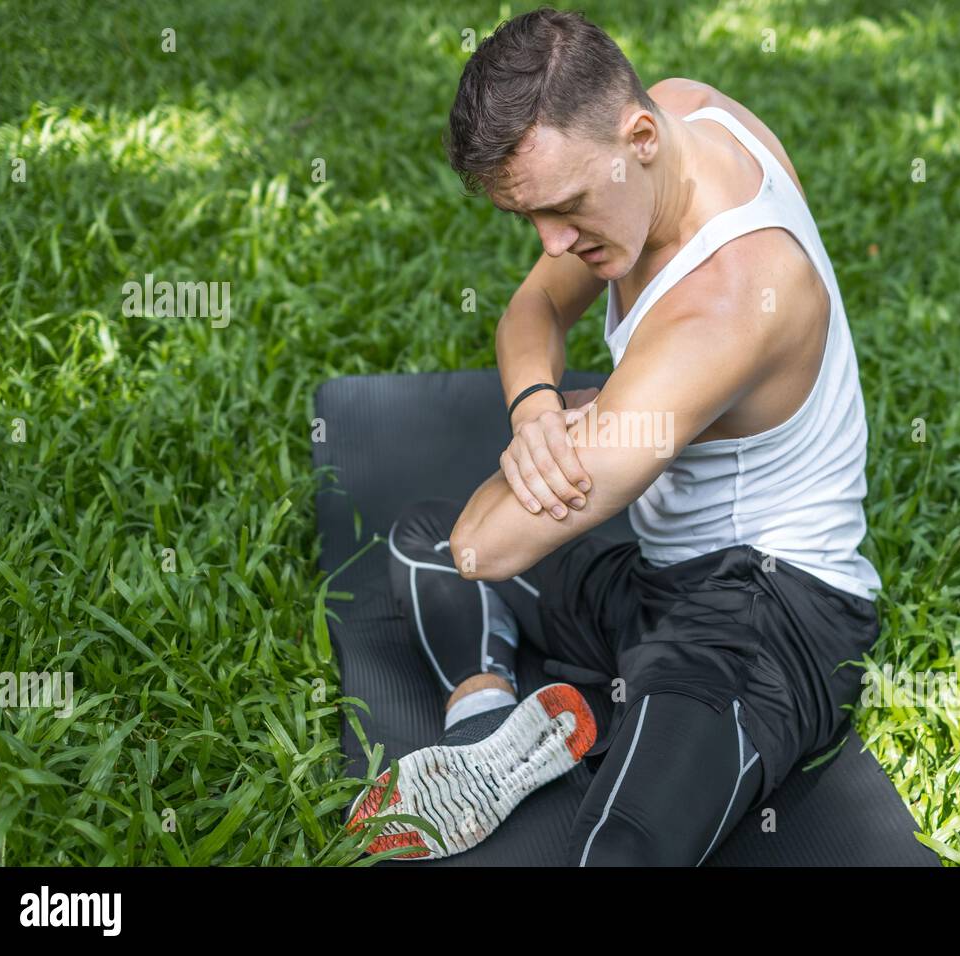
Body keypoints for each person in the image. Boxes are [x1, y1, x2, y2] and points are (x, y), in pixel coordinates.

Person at [347, 6, 882, 866]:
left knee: (618, 854)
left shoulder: (730, 302)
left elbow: (495, 543)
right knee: (424, 545)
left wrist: (588, 417)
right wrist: (534, 410)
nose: (552, 242)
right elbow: (531, 309)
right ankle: (491, 726)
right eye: (531, 219)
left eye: (564, 211)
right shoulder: (675, 118)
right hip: (658, 574)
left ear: (637, 137)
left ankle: (608, 735)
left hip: (770, 616)